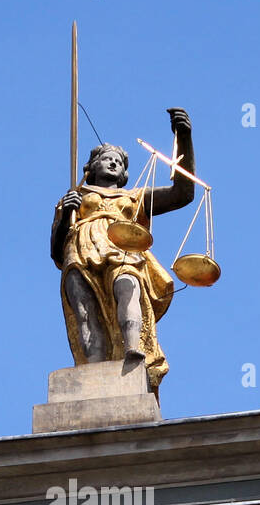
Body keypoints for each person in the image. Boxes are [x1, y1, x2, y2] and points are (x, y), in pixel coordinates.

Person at [49, 107, 195, 390]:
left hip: (122, 245)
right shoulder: (76, 196)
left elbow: (183, 194)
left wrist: (184, 139)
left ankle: (133, 350)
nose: (114, 163)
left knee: (127, 288)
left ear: (125, 172)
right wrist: (66, 214)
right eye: (107, 159)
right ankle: (92, 371)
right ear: (90, 168)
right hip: (79, 250)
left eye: (118, 161)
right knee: (85, 311)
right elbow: (55, 249)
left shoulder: (134, 197)